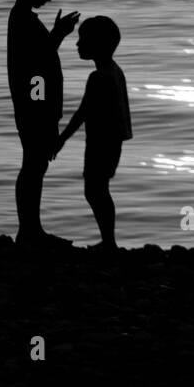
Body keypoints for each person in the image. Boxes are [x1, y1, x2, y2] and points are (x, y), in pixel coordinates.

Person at [7, 0, 79, 246]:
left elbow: (39, 56)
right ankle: (29, 231)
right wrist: (58, 34)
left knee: (35, 165)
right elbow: (36, 64)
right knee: (34, 166)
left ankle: (31, 229)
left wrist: (54, 35)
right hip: (35, 108)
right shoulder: (24, 21)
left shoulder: (23, 19)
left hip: (35, 107)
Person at [55, 16, 131, 250]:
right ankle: (109, 240)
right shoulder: (115, 71)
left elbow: (83, 113)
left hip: (101, 142)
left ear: (98, 44)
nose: (77, 44)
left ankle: (109, 241)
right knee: (99, 189)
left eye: (83, 40)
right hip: (113, 141)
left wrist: (61, 140)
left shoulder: (99, 77)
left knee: (95, 190)